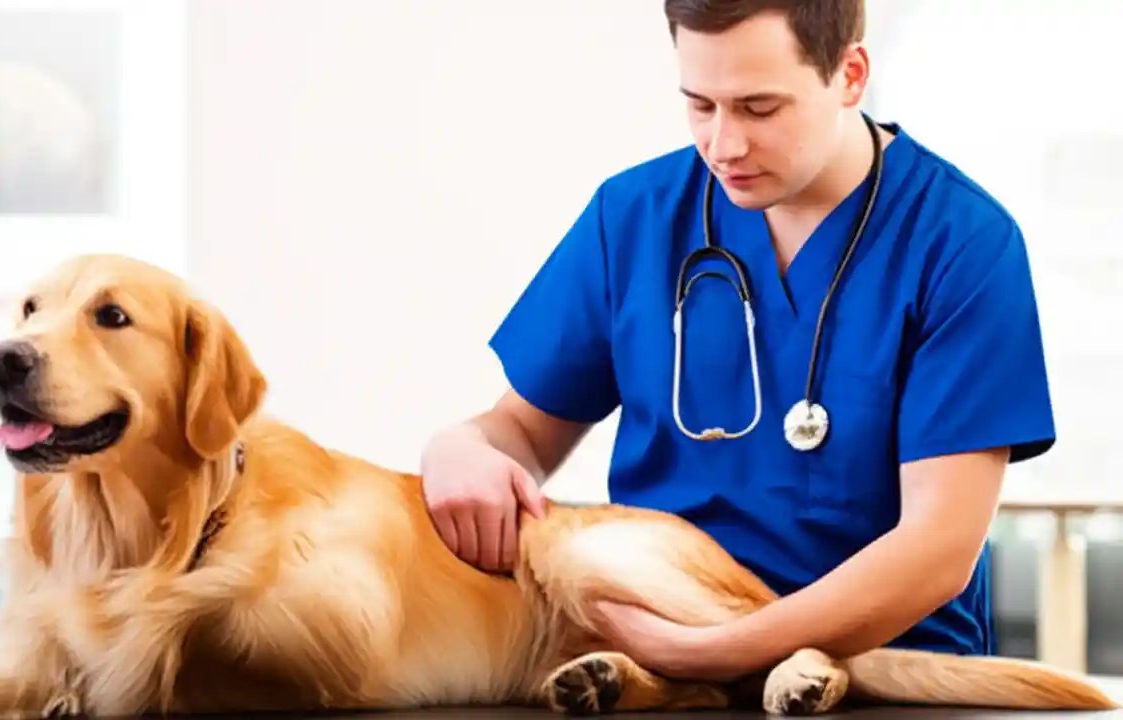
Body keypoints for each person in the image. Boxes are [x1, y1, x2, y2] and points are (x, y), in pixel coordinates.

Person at [418, 0, 1055, 682]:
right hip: (663, 663)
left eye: (759, 108)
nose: (723, 145)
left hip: (884, 671)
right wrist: (460, 448)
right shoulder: (634, 218)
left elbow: (938, 549)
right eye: (700, 106)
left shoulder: (961, 242)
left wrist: (710, 654)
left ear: (850, 74)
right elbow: (520, 431)